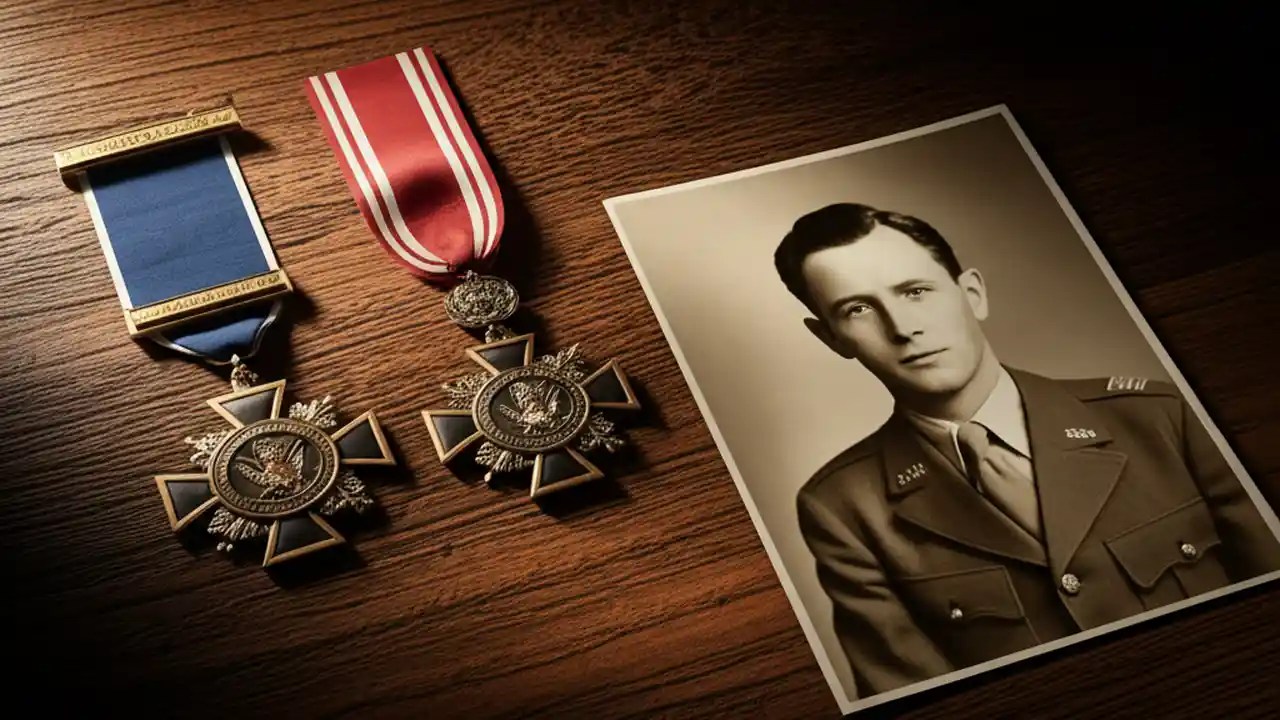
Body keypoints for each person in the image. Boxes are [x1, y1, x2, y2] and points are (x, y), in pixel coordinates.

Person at [773, 203, 1280, 696]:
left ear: (972, 293)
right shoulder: (842, 508)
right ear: (831, 338)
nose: (903, 329)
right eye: (857, 309)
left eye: (915, 291)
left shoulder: (1158, 415)